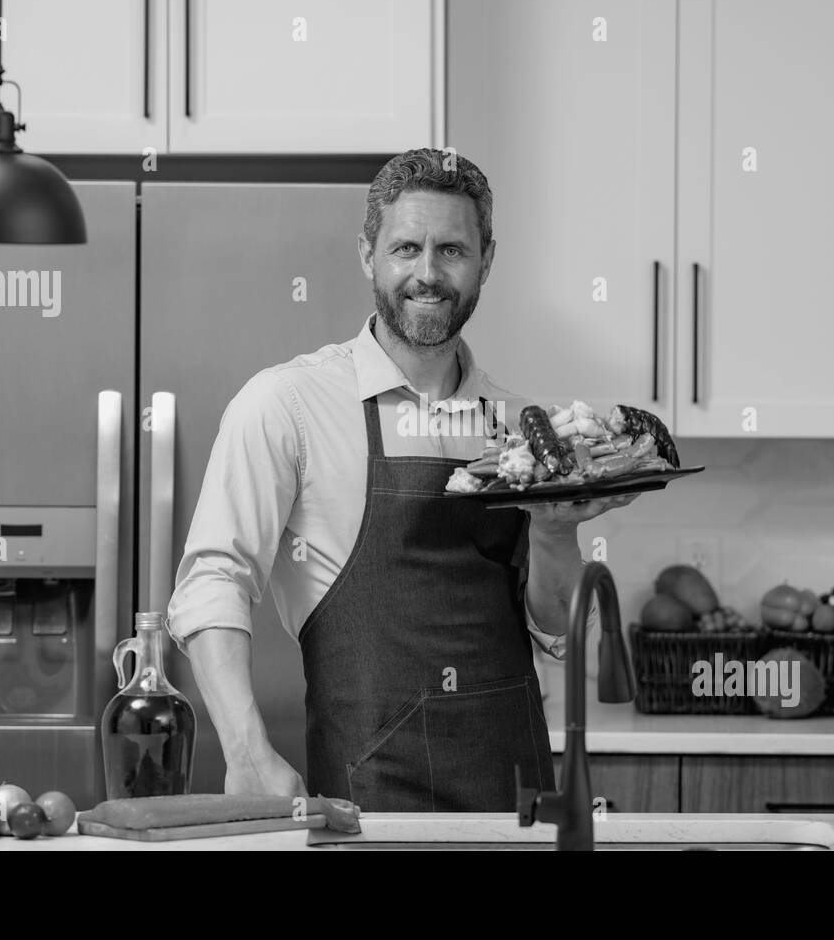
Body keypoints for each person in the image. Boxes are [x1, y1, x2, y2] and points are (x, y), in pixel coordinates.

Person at [166, 148, 637, 811]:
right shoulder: (287, 405)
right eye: (406, 247)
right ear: (367, 255)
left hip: (515, 803)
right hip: (367, 805)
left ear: (486, 261)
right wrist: (245, 750)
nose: (428, 272)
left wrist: (557, 531)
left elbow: (555, 626)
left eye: (451, 249)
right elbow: (212, 581)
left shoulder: (516, 427)